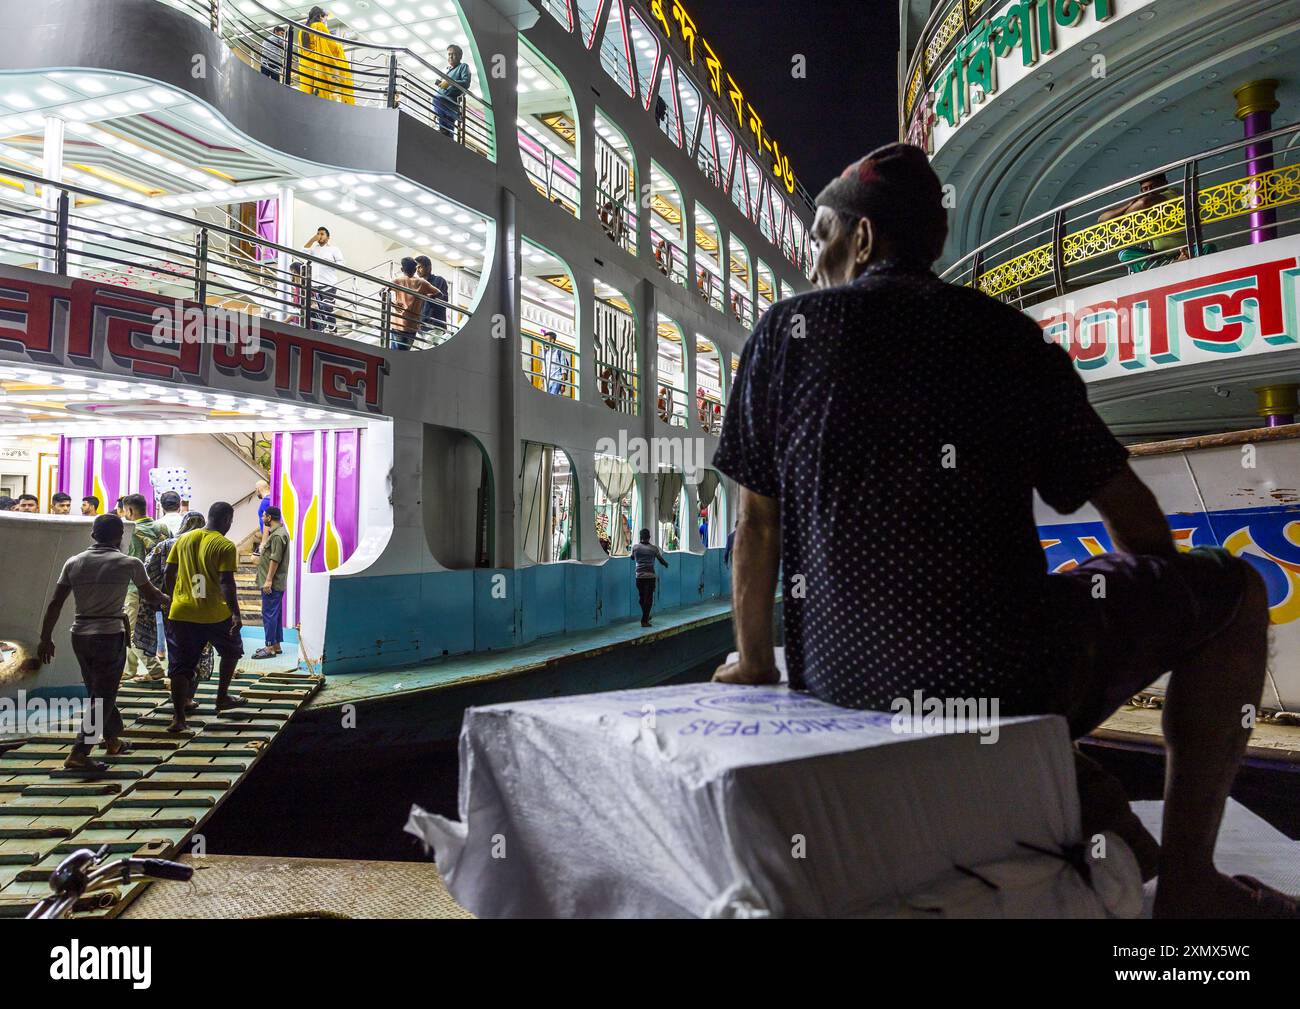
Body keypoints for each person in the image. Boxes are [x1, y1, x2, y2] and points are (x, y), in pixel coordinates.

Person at [712, 142, 1288, 919]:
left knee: (1004, 638)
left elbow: (758, 520)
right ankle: (1188, 881)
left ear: (866, 239)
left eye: (822, 236)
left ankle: (1092, 804)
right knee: (1238, 590)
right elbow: (1124, 504)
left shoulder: (784, 333)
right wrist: (1165, 603)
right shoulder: (1007, 337)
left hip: (842, 675)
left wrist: (753, 661)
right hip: (1007, 674)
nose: (815, 259)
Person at [36, 514, 169, 772]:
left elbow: (55, 603)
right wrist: (171, 601)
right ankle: (80, 752)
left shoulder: (73, 562)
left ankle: (113, 740)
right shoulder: (130, 563)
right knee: (104, 696)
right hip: (109, 635)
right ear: (120, 536)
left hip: (80, 635)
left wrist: (45, 638)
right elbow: (152, 596)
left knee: (98, 690)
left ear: (93, 535)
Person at [165, 501, 245, 732]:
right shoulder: (225, 545)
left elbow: (169, 572)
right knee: (232, 650)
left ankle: (178, 719)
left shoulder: (184, 539)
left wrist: (174, 598)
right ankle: (222, 697)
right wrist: (236, 614)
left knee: (180, 666)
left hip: (182, 612)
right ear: (227, 520)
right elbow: (226, 582)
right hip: (214, 612)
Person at [135, 511, 210, 689]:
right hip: (200, 603)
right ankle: (190, 692)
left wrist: (157, 595)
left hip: (172, 603)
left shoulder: (166, 545)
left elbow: (148, 570)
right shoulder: (207, 546)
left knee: (175, 645)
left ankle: (177, 687)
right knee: (197, 647)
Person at [1098, 172, 1185, 274]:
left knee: (1205, 248)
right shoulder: (1140, 206)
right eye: (1145, 189)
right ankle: (1171, 264)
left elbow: (1144, 202)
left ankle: (1166, 266)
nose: (1149, 191)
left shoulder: (1174, 192)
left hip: (1183, 250)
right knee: (1124, 254)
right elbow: (1102, 219)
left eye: (1153, 187)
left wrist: (1121, 219)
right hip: (1161, 255)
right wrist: (1129, 205)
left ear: (1164, 184)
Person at [121, 494, 167, 683]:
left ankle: (155, 669)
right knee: (143, 628)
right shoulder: (161, 527)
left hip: (134, 589)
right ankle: (130, 669)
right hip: (159, 588)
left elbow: (127, 562)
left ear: (129, 510)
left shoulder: (131, 531)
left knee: (131, 632)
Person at [252, 506, 290, 660]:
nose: (262, 518)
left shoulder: (277, 536)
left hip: (272, 584)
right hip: (275, 582)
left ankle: (269, 647)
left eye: (264, 516)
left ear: (269, 517)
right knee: (275, 614)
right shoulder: (278, 533)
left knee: (268, 614)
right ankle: (276, 645)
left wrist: (268, 580)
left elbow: (275, 559)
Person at [297, 7, 355, 104]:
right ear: (320, 16)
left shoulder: (302, 30)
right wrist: (340, 46)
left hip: (305, 66)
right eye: (325, 18)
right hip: (316, 66)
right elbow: (330, 45)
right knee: (319, 99)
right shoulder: (319, 26)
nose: (325, 21)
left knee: (307, 98)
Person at [390, 257, 437, 352]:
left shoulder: (397, 281)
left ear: (402, 269)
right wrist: (425, 296)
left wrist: (393, 304)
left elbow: (382, 292)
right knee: (404, 353)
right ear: (415, 269)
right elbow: (438, 293)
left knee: (394, 352)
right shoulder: (422, 283)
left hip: (397, 323)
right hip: (412, 325)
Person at [303, 226, 344, 332]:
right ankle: (319, 330)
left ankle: (332, 331)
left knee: (327, 308)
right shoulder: (314, 249)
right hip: (315, 284)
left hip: (328, 284)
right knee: (316, 309)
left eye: (322, 234)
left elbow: (341, 263)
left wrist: (330, 263)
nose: (319, 236)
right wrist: (312, 239)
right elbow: (304, 251)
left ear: (328, 237)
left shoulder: (334, 249)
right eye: (318, 234)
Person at [630, 529, 668, 627]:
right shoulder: (654, 549)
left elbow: (632, 557)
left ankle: (645, 616)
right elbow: (661, 560)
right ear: (649, 537)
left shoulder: (635, 547)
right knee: (649, 599)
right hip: (650, 576)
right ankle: (644, 620)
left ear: (640, 536)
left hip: (639, 577)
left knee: (642, 598)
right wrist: (666, 564)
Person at [433, 44, 471, 139]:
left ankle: (443, 130)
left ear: (460, 56)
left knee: (436, 99)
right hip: (443, 103)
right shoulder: (448, 70)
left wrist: (450, 82)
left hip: (450, 102)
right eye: (449, 54)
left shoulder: (463, 67)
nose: (450, 56)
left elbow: (466, 83)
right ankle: (445, 134)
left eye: (453, 54)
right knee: (448, 130)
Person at [415, 256, 449, 337]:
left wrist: (429, 296)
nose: (417, 270)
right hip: (421, 327)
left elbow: (442, 301)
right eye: (416, 268)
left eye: (420, 267)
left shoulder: (439, 280)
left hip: (435, 326)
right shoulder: (418, 284)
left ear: (429, 268)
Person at [254, 479, 272, 555]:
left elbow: (267, 523)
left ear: (259, 489)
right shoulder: (271, 499)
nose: (256, 492)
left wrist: (263, 543)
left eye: (255, 489)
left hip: (268, 539)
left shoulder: (266, 501)